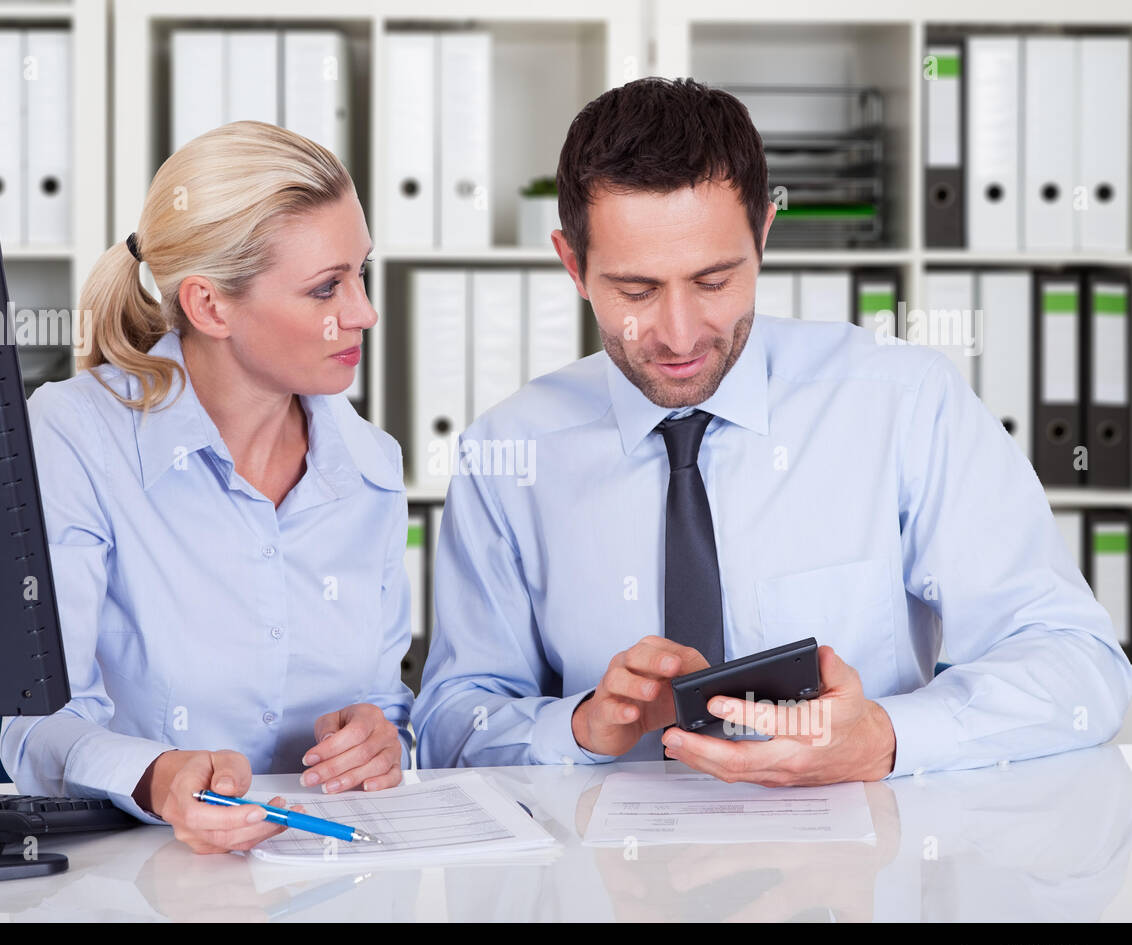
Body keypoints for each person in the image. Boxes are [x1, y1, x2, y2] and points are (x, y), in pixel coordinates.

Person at [411, 78, 1132, 784]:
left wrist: (883, 738)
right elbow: (451, 722)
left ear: (762, 235)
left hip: (861, 856)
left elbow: (1081, 665)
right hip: (601, 862)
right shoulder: (508, 454)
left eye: (714, 281)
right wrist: (579, 727)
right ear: (573, 264)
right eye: (637, 290)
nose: (680, 334)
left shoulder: (905, 405)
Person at [1, 121, 411, 854]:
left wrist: (382, 738)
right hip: (130, 874)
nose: (363, 312)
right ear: (210, 306)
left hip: (328, 869)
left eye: (361, 273)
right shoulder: (75, 437)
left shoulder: (370, 465)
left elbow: (386, 704)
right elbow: (35, 726)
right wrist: (156, 777)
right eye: (326, 287)